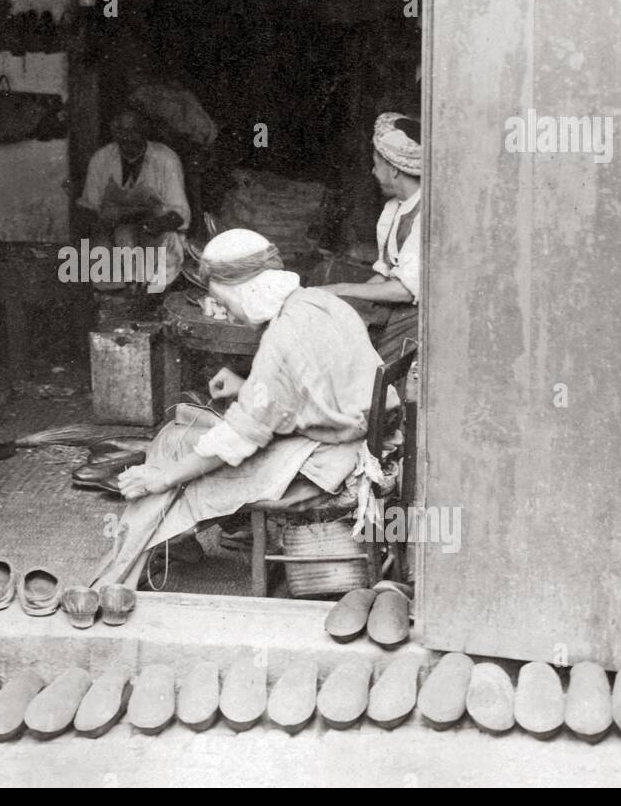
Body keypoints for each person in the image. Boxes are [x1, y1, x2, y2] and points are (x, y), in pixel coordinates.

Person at [91, 229, 383, 589]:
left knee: (178, 468)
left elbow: (238, 439)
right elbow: (311, 391)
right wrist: (247, 386)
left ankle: (117, 578)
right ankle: (165, 546)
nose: (227, 313)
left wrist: (165, 477)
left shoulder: (282, 337)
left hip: (326, 464)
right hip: (346, 440)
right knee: (176, 438)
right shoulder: (317, 303)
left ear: (245, 288)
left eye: (224, 302)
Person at [320, 112, 421, 364]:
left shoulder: (426, 215)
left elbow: (404, 291)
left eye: (377, 163)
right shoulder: (393, 209)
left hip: (420, 316)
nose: (374, 172)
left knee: (369, 370)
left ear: (394, 170)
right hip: (400, 306)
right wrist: (335, 297)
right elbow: (385, 274)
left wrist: (339, 289)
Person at [75, 109, 190, 292]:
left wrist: (153, 225)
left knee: (151, 283)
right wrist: (95, 229)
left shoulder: (165, 159)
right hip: (112, 233)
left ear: (145, 131)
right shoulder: (101, 158)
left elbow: (180, 214)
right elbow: (89, 205)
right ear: (114, 132)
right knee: (105, 268)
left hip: (156, 233)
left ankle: (149, 292)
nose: (127, 138)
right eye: (122, 131)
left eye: (134, 131)